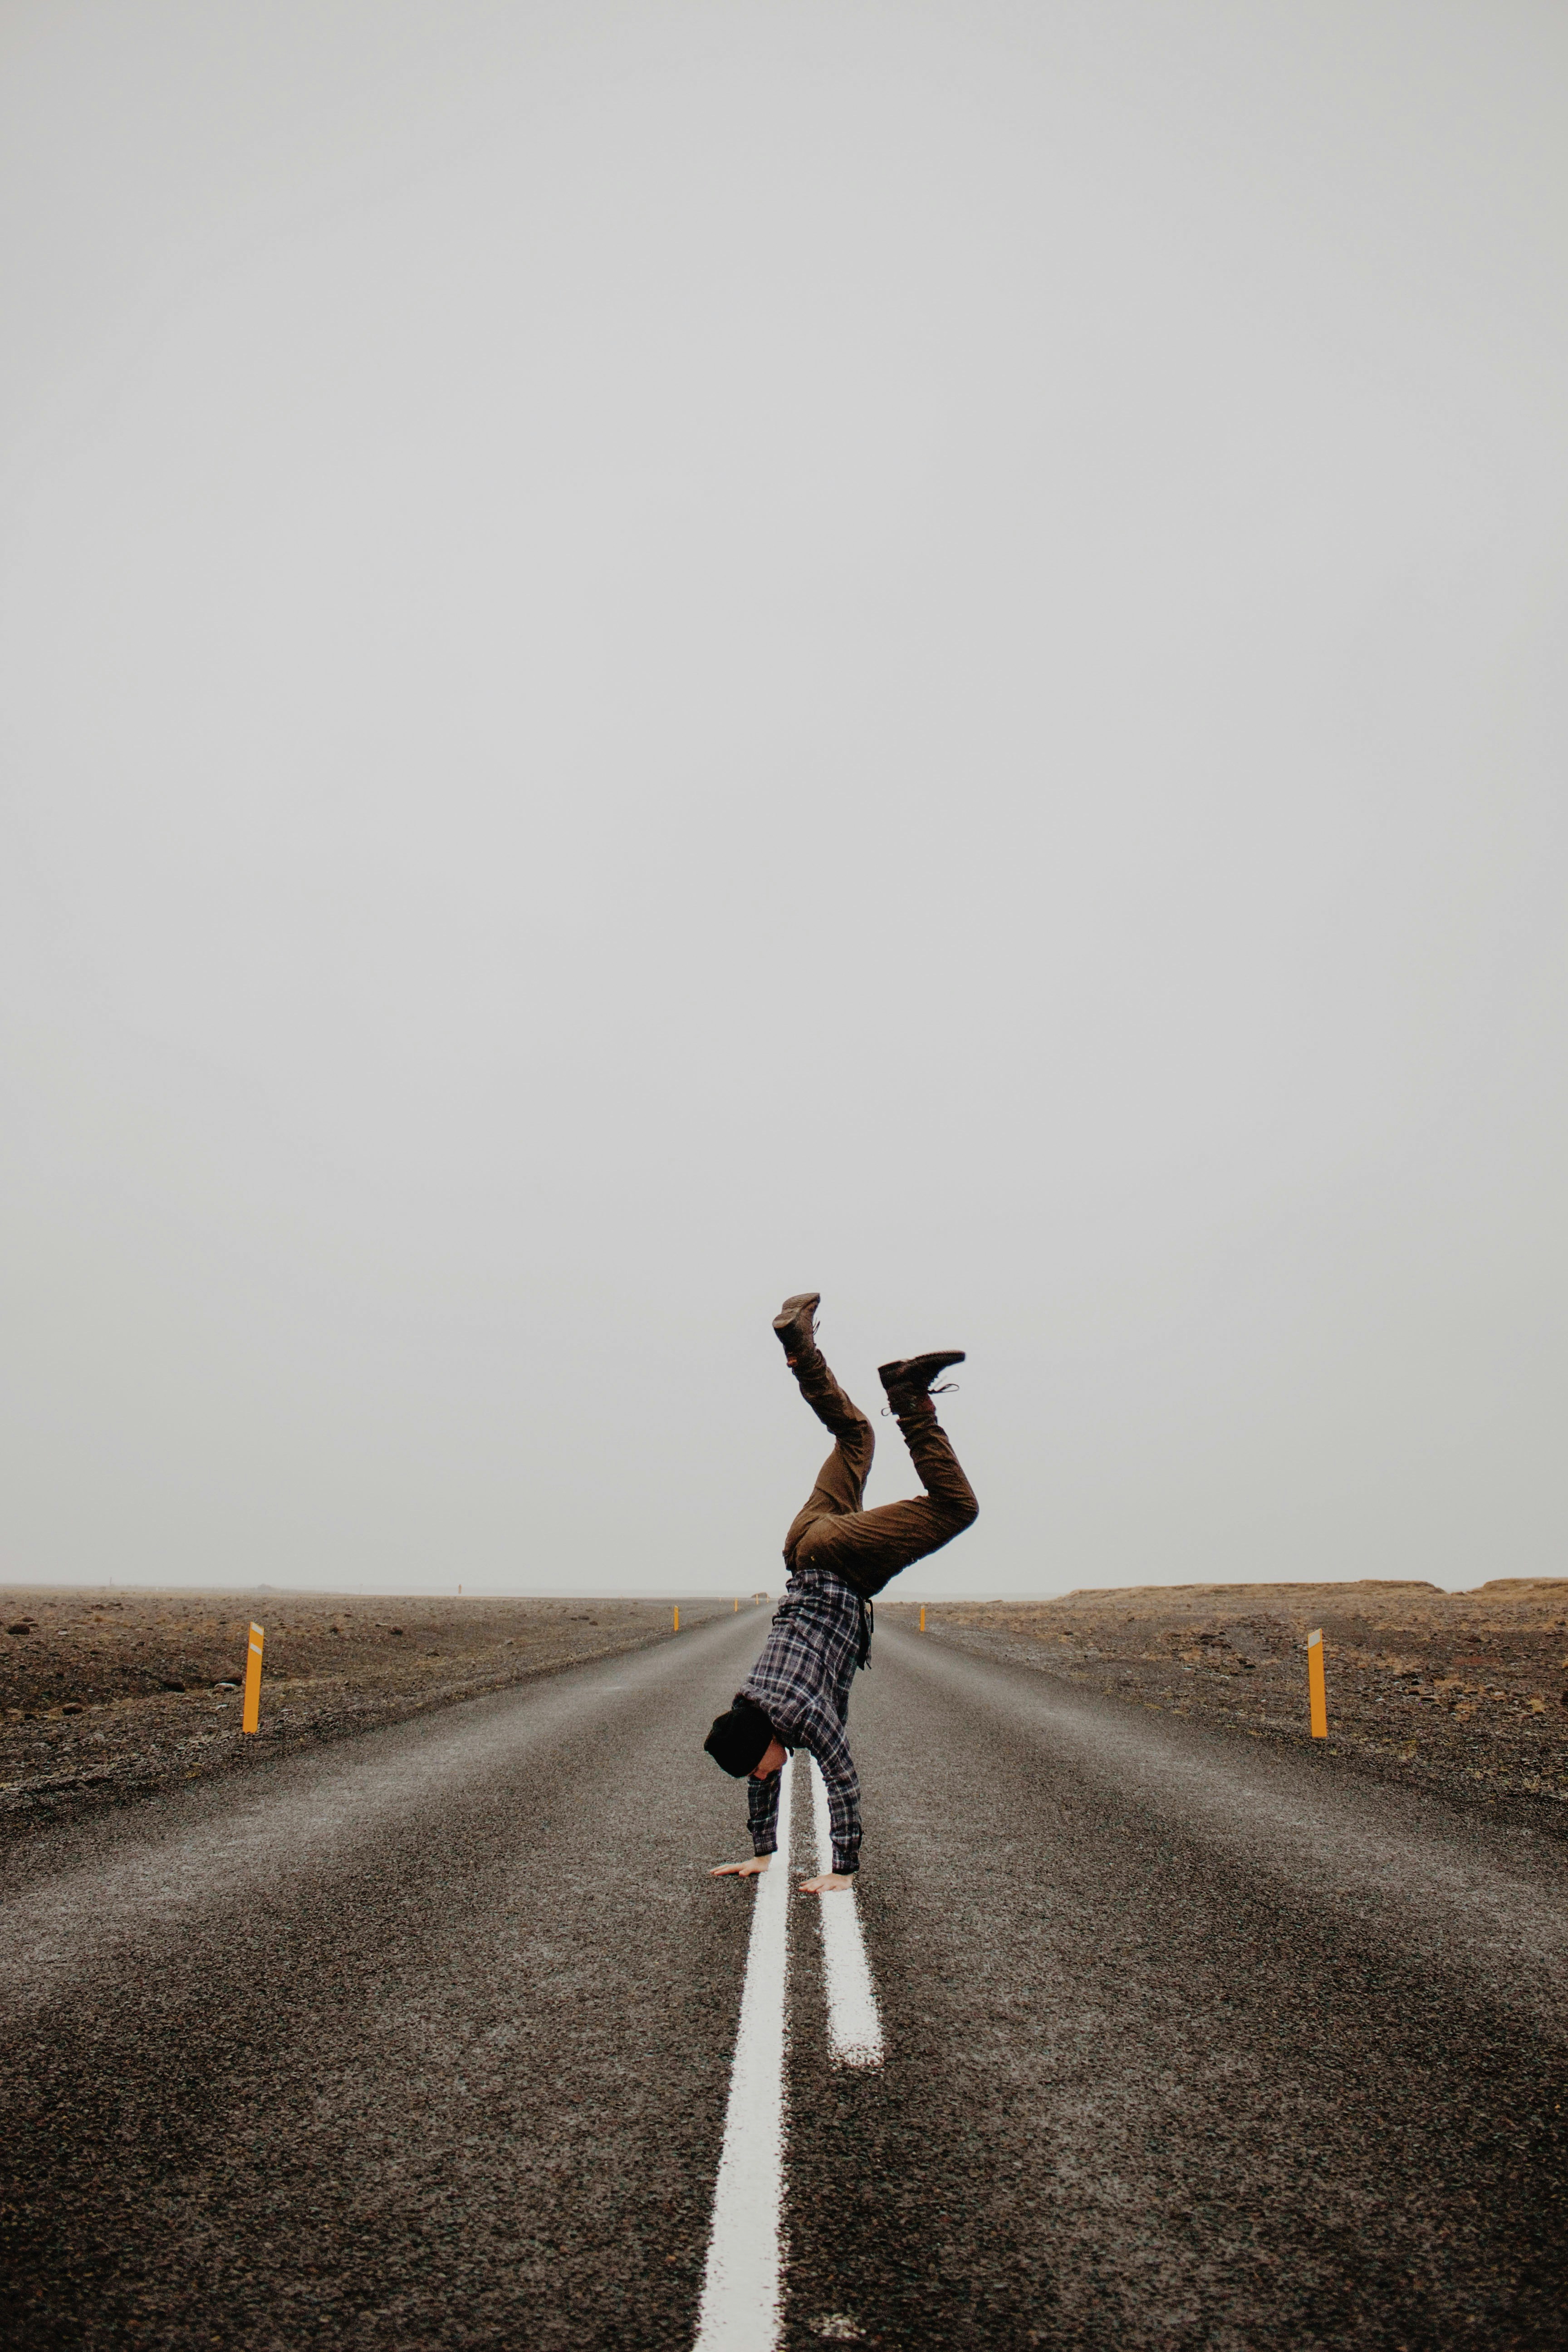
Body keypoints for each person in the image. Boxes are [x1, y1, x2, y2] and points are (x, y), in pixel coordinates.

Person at [704, 1292, 978, 1895]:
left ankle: (909, 1395)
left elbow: (841, 1778)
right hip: (802, 1546)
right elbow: (764, 1775)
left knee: (956, 1508)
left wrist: (843, 1871)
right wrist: (763, 1854)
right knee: (855, 1436)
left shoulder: (801, 1715)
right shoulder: (754, 1706)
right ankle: (799, 1344)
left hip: (835, 1563)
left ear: (764, 1742)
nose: (760, 1775)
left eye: (756, 1766)